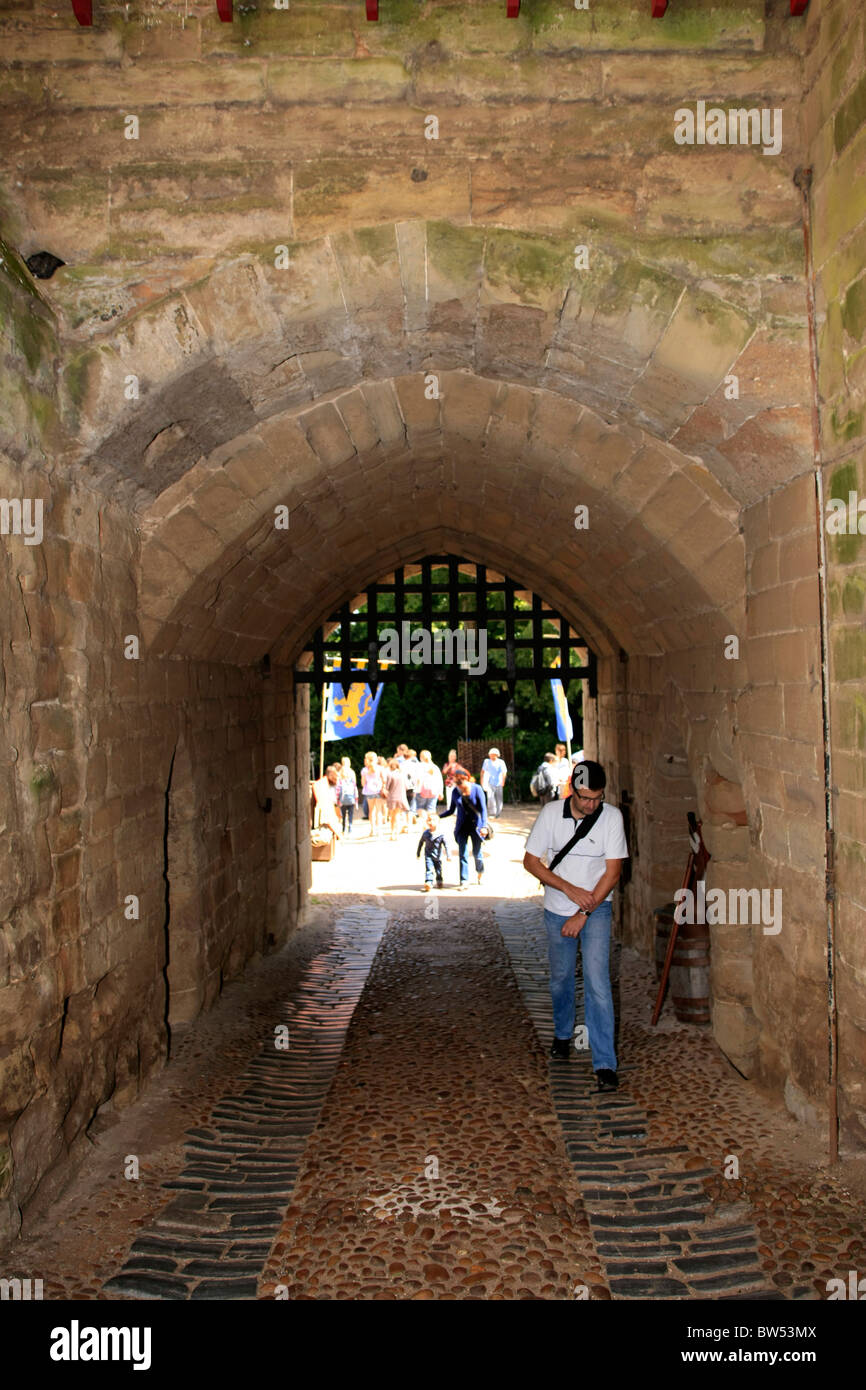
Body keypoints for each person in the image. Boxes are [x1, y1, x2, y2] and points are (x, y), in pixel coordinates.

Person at [522, 759, 628, 1093]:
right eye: (585, 797)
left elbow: (612, 873)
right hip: (556, 910)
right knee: (561, 979)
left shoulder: (611, 818)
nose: (591, 804)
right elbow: (530, 861)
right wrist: (567, 890)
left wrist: (584, 911)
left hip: (596, 910)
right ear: (572, 790)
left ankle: (605, 1063)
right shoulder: (551, 814)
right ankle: (563, 1033)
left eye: (597, 798)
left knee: (598, 983)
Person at [439, 772, 488, 891]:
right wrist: (438, 816)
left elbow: (483, 809)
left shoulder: (477, 789)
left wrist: (484, 826)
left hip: (476, 827)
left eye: (460, 783)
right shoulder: (456, 791)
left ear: (467, 779)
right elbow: (451, 810)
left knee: (477, 854)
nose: (458, 786)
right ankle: (464, 880)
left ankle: (480, 870)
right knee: (463, 854)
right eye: (456, 783)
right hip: (462, 827)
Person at [416, 811, 451, 891]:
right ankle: (429, 882)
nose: (431, 822)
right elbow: (421, 843)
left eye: (433, 820)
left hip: (438, 856)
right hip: (428, 855)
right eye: (429, 820)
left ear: (438, 822)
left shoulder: (441, 834)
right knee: (429, 868)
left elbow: (446, 845)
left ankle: (439, 880)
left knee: (438, 870)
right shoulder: (426, 833)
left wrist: (449, 855)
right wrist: (418, 853)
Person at [361, 752, 386, 837]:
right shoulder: (380, 768)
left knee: (371, 811)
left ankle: (373, 830)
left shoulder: (364, 770)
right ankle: (379, 830)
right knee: (379, 810)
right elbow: (384, 780)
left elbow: (363, 783)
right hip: (378, 790)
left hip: (369, 791)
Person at [385, 756, 409, 839]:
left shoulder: (389, 775)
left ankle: (392, 833)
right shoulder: (402, 774)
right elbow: (407, 786)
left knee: (392, 817)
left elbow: (387, 787)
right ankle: (397, 834)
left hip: (392, 798)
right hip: (401, 797)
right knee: (398, 816)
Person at [480, 746, 507, 818]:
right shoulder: (486, 761)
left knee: (499, 799)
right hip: (490, 782)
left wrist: (503, 781)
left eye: (493, 755)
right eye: (490, 755)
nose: (491, 756)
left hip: (499, 782)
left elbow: (504, 772)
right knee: (490, 798)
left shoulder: (501, 762)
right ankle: (492, 813)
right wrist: (482, 781)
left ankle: (498, 813)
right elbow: (482, 772)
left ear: (497, 755)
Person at [336, 756, 358, 835]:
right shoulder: (352, 772)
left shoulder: (340, 772)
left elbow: (338, 787)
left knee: (343, 814)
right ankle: (350, 827)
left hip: (342, 799)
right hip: (351, 798)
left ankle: (343, 827)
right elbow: (354, 785)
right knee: (351, 813)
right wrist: (356, 800)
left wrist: (337, 799)